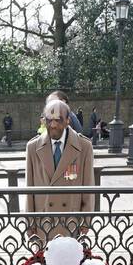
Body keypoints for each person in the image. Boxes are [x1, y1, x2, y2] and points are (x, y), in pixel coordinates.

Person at [25, 98, 97, 244]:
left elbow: (88, 188)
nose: (53, 125)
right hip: (43, 224)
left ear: (68, 120)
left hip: (71, 223)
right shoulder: (32, 147)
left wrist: (85, 222)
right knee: (44, 264)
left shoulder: (84, 146)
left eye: (58, 120)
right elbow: (29, 190)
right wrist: (29, 223)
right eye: (49, 120)